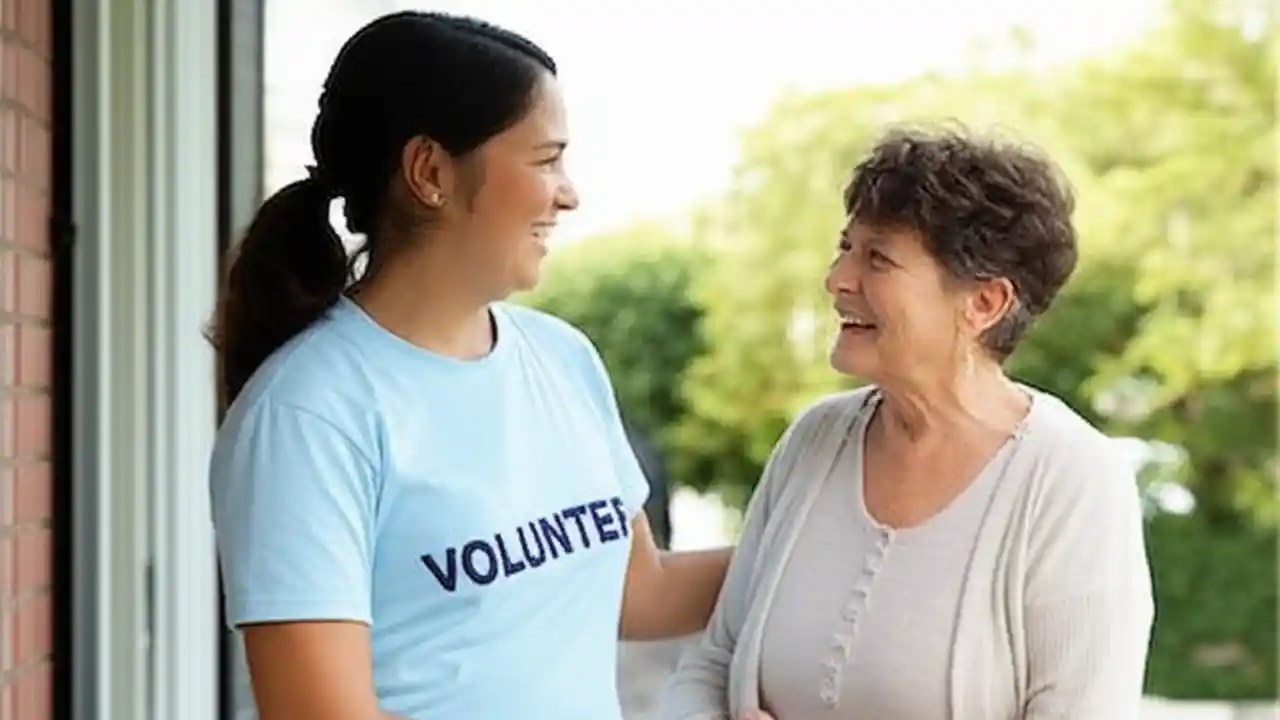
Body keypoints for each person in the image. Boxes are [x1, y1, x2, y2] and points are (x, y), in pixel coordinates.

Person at [206, 12, 729, 720]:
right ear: (430, 172)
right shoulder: (307, 413)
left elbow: (643, 591)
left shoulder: (563, 358)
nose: (568, 192)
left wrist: (838, 540)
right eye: (546, 159)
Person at [660, 128, 1155, 720]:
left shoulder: (1072, 479)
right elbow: (714, 661)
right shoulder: (815, 439)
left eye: (878, 258)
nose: (838, 279)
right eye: (845, 248)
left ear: (984, 304)